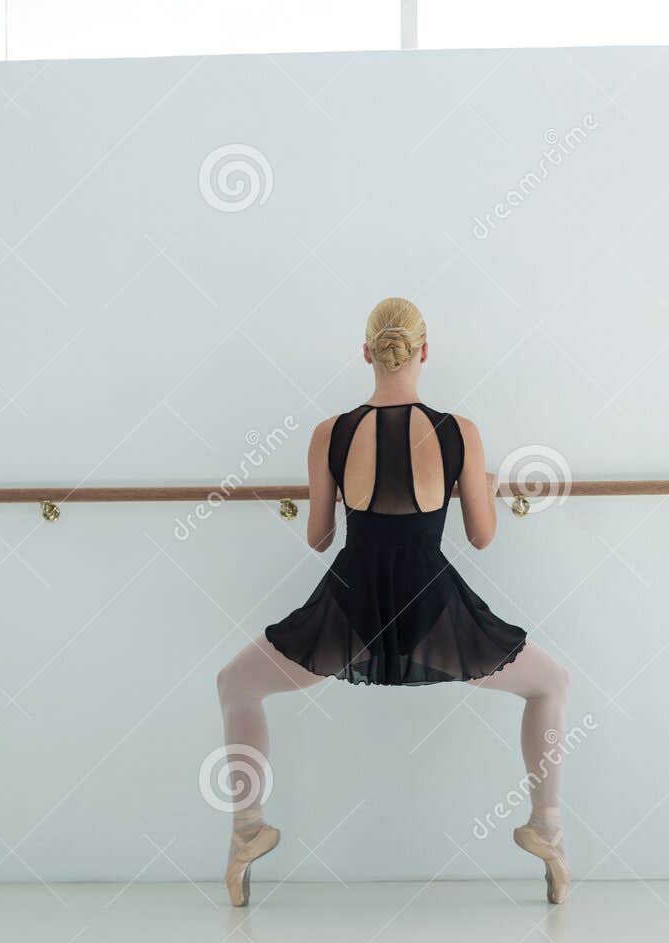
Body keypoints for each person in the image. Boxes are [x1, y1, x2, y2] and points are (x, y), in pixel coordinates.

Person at [216, 298, 569, 907]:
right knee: (552, 684)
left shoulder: (332, 433)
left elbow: (320, 537)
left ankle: (247, 830)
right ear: (424, 352)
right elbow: (483, 537)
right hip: (435, 612)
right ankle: (548, 832)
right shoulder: (460, 432)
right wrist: (480, 487)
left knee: (236, 684)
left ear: (366, 354)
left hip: (350, 609)